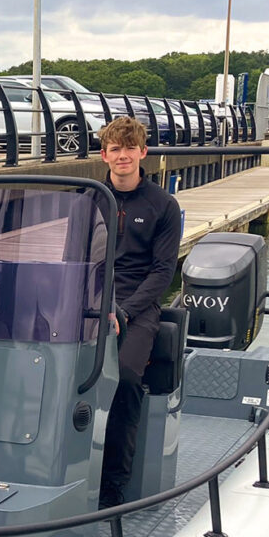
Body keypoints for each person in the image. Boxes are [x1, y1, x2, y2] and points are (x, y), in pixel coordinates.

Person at [96, 116, 182, 509]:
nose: (123, 155)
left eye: (130, 148)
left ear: (143, 153)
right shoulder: (91, 200)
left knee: (126, 379)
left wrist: (125, 312)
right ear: (105, 155)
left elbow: (163, 271)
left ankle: (112, 486)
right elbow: (72, 257)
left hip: (138, 306)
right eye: (116, 148)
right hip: (91, 300)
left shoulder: (163, 205)